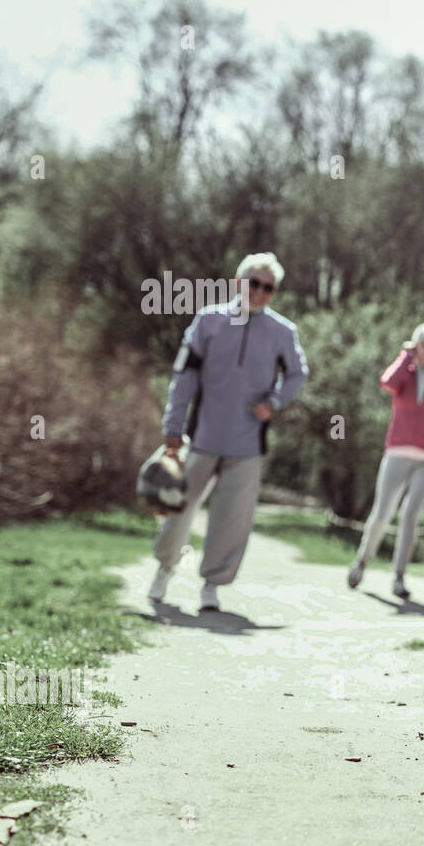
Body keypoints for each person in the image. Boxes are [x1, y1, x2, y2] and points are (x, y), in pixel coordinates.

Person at [149, 252, 309, 612]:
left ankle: (212, 584)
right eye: (254, 283)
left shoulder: (283, 331)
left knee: (232, 518)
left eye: (269, 287)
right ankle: (165, 567)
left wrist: (275, 401)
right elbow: (183, 377)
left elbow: (298, 372)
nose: (261, 292)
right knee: (178, 507)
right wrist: (173, 426)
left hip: (247, 443)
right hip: (203, 436)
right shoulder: (208, 321)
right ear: (238, 282)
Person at [348, 322, 424, 599]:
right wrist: (406, 357)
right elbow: (387, 383)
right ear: (416, 346)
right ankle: (362, 561)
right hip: (398, 452)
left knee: (410, 515)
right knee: (382, 512)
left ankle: (399, 576)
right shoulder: (405, 373)